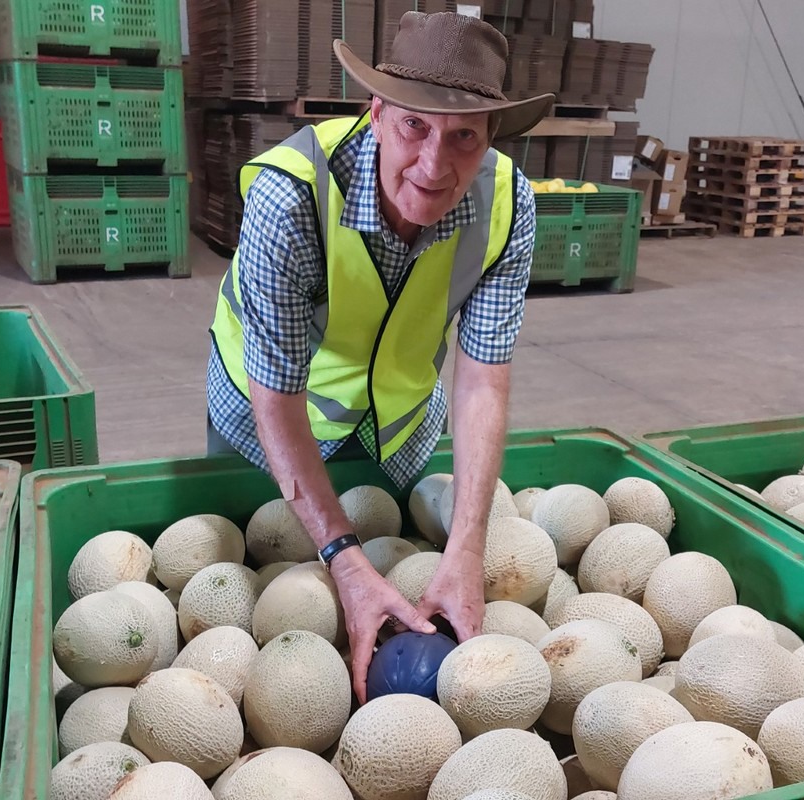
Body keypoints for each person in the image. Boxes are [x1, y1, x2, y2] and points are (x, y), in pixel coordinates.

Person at [206, 10, 553, 703]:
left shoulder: (509, 205)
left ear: (490, 136)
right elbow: (278, 397)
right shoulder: (291, 195)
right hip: (266, 424)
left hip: (397, 429)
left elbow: (482, 382)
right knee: (278, 572)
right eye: (414, 125)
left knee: (391, 572)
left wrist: (467, 548)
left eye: (463, 136)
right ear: (377, 112)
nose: (434, 164)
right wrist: (341, 557)